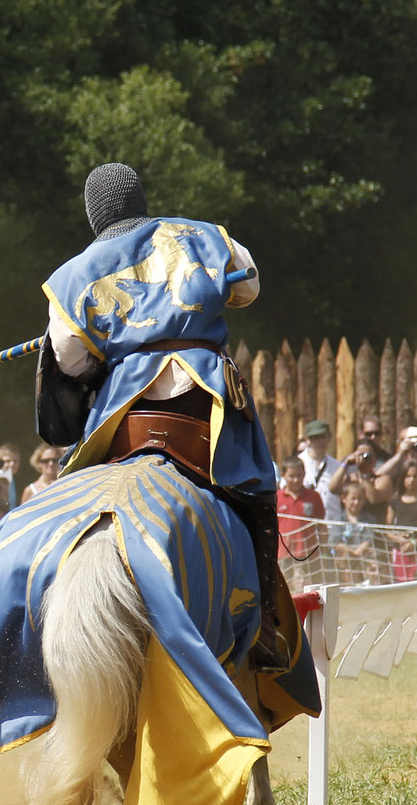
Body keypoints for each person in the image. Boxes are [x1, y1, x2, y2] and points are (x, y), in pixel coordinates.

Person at [38, 161, 293, 664]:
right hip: (204, 400)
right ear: (139, 198)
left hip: (124, 408)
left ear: (93, 213)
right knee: (256, 488)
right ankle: (264, 621)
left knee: (71, 494)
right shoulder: (201, 236)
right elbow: (248, 289)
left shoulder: (69, 277)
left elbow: (71, 358)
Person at [275, 459, 325, 589]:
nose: (296, 480)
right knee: (285, 590)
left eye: (299, 475)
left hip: (309, 554)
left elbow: (322, 526)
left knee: (313, 591)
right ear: (283, 475)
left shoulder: (314, 497)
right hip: (284, 554)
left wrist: (323, 548)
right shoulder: (276, 498)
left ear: (304, 474)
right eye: (292, 476)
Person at [298, 419, 344, 519]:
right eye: (315, 438)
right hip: (305, 524)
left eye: (323, 437)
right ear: (308, 440)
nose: (320, 441)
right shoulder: (298, 463)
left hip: (331, 523)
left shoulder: (337, 466)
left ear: (329, 437)